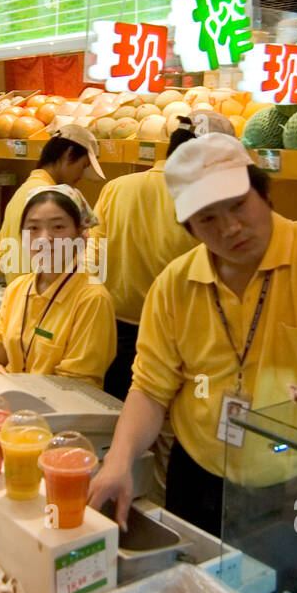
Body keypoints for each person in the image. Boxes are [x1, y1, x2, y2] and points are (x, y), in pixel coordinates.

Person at [89, 133, 297, 533]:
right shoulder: (174, 285)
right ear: (189, 226)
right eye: (207, 217)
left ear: (263, 192)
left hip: (295, 480)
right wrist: (118, 460)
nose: (230, 228)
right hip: (197, 476)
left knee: (292, 592)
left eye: (238, 204)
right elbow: (150, 389)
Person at [93, 121, 204, 401]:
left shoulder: (116, 187)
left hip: (113, 326)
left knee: (114, 409)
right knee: (161, 411)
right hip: (172, 332)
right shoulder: (198, 201)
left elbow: (92, 251)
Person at [0, 184, 116, 389]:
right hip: (12, 408)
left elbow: (76, 388)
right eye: (33, 228)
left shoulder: (92, 299)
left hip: (63, 415)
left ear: (81, 235)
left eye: (58, 227)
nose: (44, 239)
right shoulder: (17, 289)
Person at [0, 125, 105, 285]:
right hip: (52, 297)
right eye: (83, 166)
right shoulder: (59, 199)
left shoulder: (21, 193)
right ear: (68, 154)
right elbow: (89, 256)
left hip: (20, 297)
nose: (81, 175)